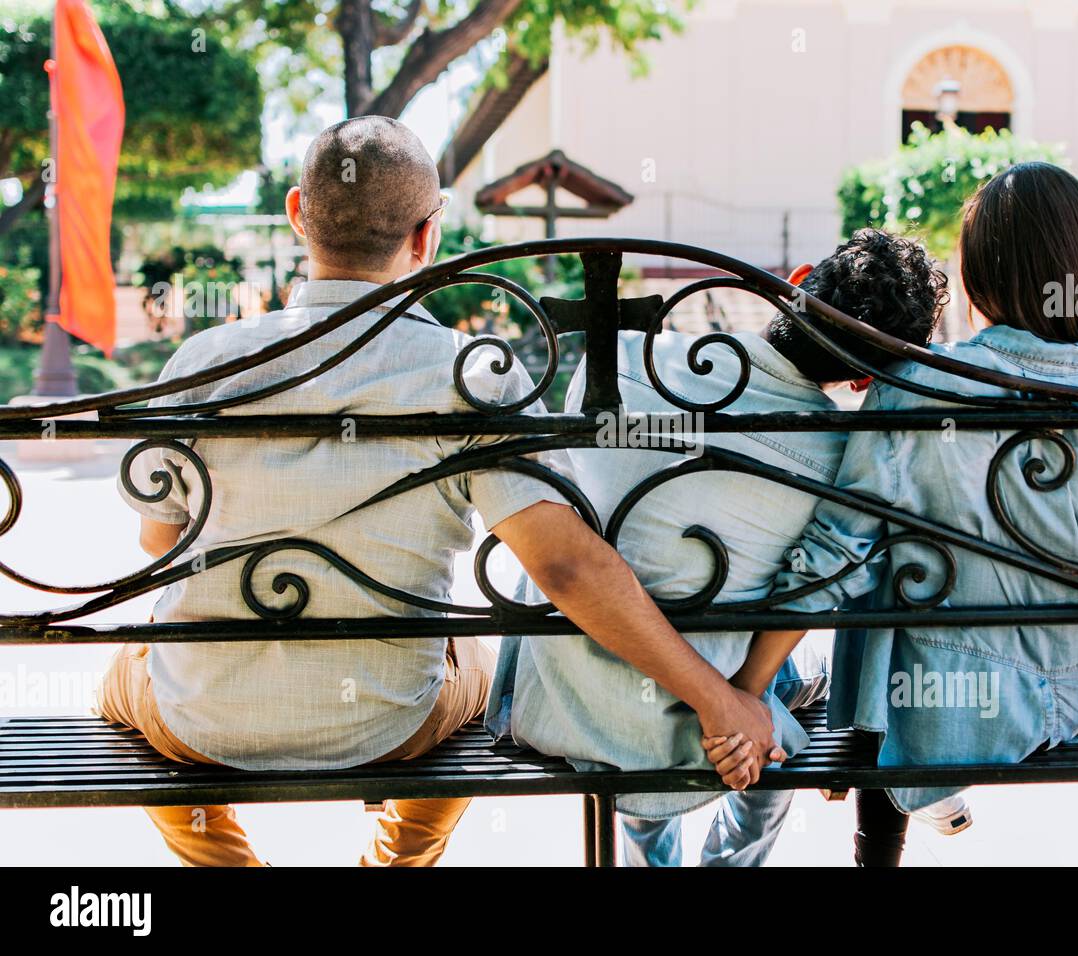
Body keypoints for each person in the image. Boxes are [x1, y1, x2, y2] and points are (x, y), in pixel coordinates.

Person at [96, 116, 776, 867]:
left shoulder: (205, 359)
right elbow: (566, 570)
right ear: (427, 237)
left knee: (124, 680)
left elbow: (160, 545)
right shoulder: (470, 373)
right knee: (479, 679)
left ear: (296, 213)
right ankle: (395, 864)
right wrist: (721, 698)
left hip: (204, 725)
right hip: (388, 724)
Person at [710, 161, 1078, 866]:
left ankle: (875, 854)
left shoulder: (913, 390)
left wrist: (741, 696)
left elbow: (836, 556)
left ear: (975, 277)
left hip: (922, 717)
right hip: (1072, 705)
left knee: (890, 562)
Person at [488, 228, 948, 866]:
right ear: (870, 377)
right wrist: (746, 698)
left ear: (801, 278)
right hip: (701, 717)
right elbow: (814, 586)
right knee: (799, 671)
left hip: (559, 700)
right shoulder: (839, 456)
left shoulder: (618, 362)